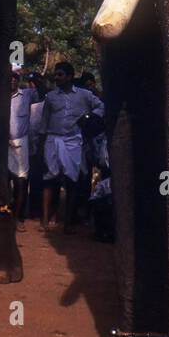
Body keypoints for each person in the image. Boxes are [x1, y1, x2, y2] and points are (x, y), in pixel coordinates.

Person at [39, 61, 104, 232]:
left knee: (72, 180)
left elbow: (101, 106)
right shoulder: (50, 97)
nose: (56, 77)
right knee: (49, 178)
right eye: (56, 74)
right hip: (53, 139)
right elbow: (44, 122)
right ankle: (45, 220)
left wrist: (89, 117)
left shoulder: (84, 95)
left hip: (73, 141)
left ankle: (68, 222)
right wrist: (41, 142)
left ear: (69, 77)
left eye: (60, 74)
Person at [8, 69, 37, 228]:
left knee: (21, 182)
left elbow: (41, 88)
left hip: (21, 143)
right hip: (3, 144)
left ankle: (18, 218)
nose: (12, 80)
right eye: (10, 78)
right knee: (4, 180)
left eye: (15, 78)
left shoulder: (27, 94)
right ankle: (4, 216)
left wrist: (29, 75)